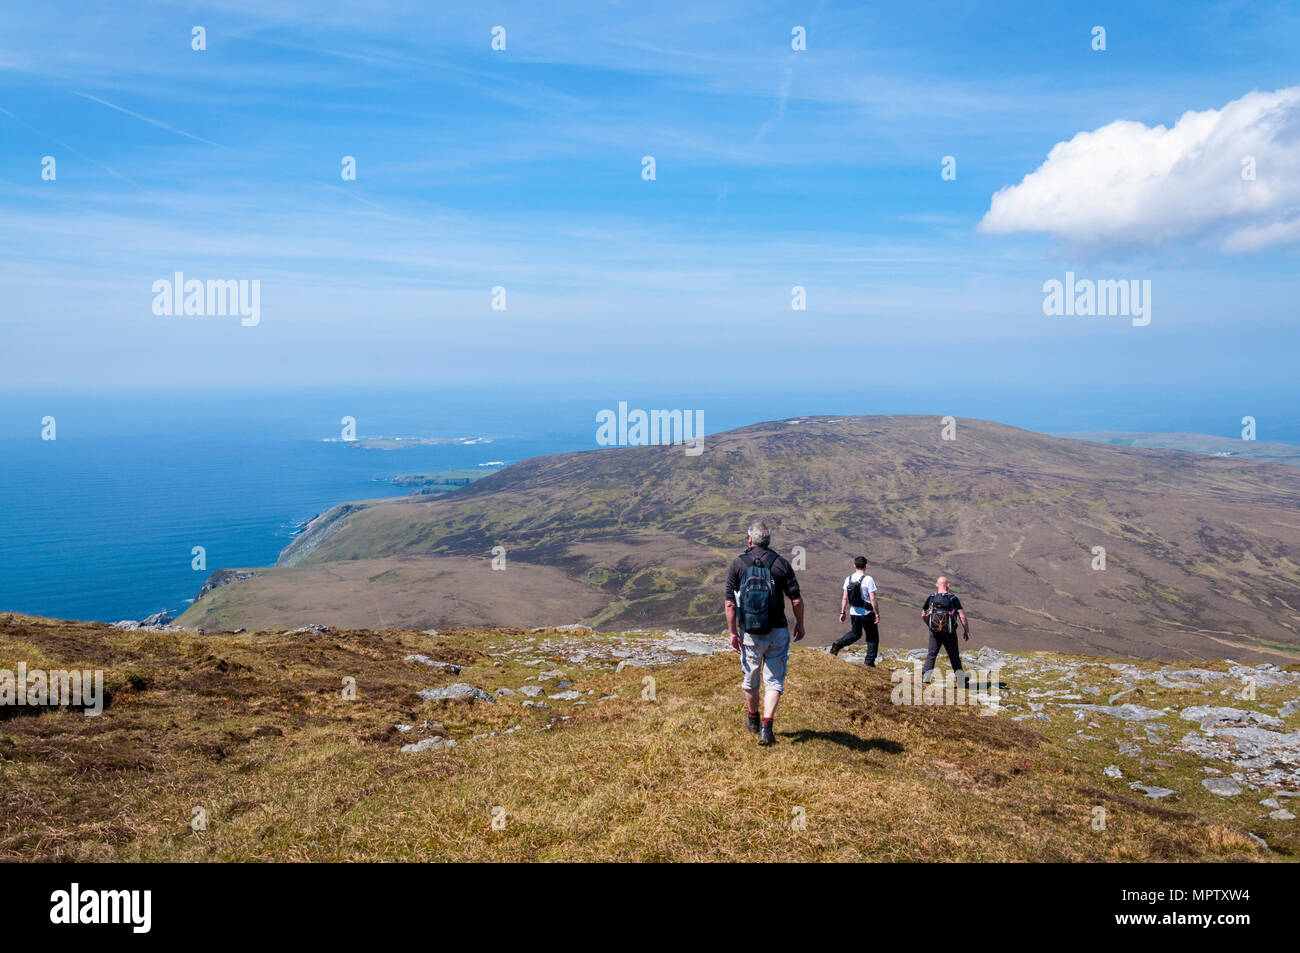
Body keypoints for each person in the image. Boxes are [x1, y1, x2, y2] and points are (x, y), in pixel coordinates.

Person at [724, 521, 805, 746]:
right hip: (778, 630)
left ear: (750, 540)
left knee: (751, 677)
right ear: (768, 541)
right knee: (774, 680)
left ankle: (753, 718)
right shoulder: (781, 564)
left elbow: (730, 604)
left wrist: (733, 633)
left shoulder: (738, 564)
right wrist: (800, 624)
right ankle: (766, 726)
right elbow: (796, 600)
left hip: (749, 631)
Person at [830, 556, 880, 665]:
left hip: (854, 612)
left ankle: (839, 643)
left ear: (854, 565)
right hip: (867, 613)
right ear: (866, 566)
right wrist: (876, 614)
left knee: (855, 633)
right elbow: (873, 598)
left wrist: (842, 612)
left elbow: (845, 598)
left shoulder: (848, 579)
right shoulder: (868, 579)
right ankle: (869, 662)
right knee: (872, 638)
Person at [921, 576, 970, 684]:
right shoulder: (953, 598)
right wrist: (966, 630)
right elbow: (962, 616)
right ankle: (961, 680)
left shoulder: (931, 597)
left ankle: (926, 677)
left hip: (934, 632)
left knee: (932, 654)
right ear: (947, 585)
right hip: (949, 632)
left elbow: (923, 614)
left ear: (937, 585)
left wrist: (930, 625)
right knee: (953, 655)